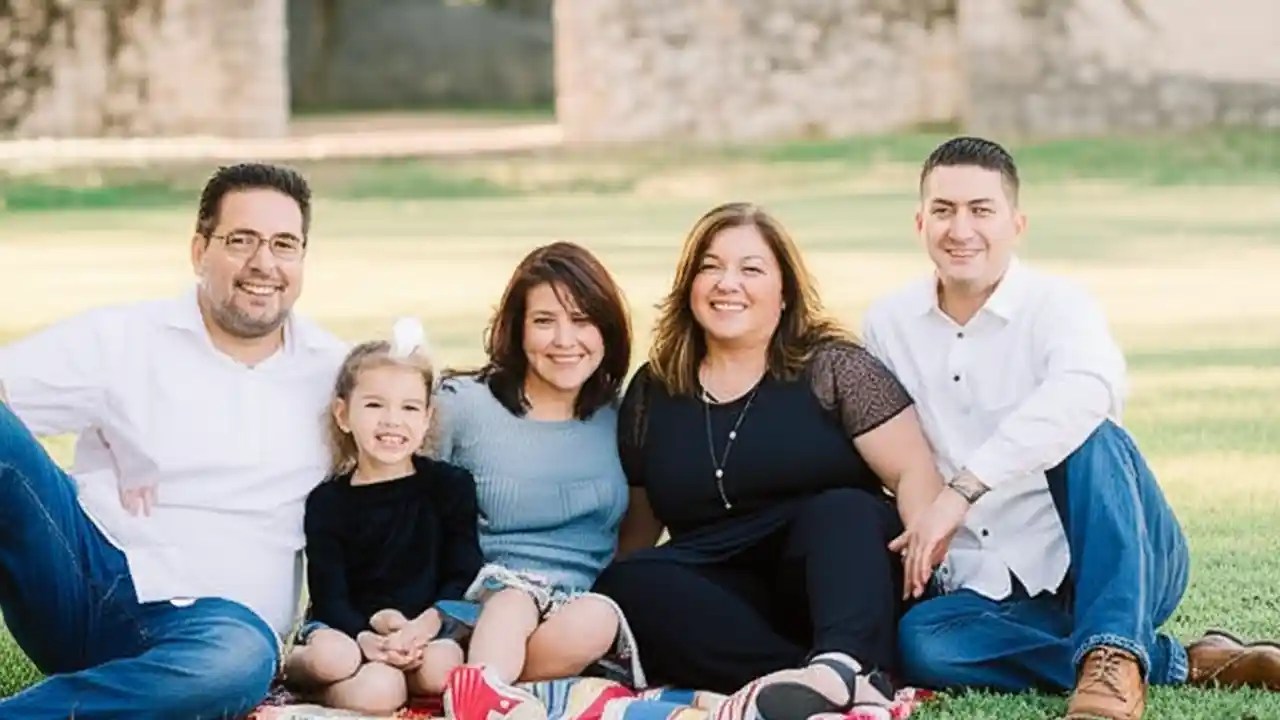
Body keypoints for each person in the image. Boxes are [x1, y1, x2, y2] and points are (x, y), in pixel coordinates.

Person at [862, 136, 1280, 720]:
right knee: (925, 645)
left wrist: (963, 489)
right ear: (919, 221)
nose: (961, 229)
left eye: (981, 210)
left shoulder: (1059, 304)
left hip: (1116, 554)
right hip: (989, 586)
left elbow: (1088, 391)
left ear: (1016, 222)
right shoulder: (887, 324)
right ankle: (1170, 661)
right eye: (943, 210)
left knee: (1087, 430)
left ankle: (1113, 648)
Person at [0, 163, 349, 718]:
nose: (264, 263)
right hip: (86, 579)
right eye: (241, 240)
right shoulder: (123, 338)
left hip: (218, 631)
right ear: (198, 250)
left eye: (285, 244)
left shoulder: (339, 376)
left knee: (238, 661)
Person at [590, 202, 948, 718]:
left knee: (843, 509)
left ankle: (843, 661)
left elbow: (913, 468)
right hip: (725, 591)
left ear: (785, 293)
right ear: (688, 287)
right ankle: (808, 682)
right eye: (709, 267)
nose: (726, 283)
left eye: (750, 269)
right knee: (628, 583)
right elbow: (639, 534)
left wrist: (920, 551)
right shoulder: (654, 388)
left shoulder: (834, 369)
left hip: (838, 576)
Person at [431, 241, 643, 720]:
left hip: (575, 609)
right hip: (484, 603)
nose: (564, 340)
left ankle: (480, 690)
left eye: (582, 319)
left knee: (600, 619)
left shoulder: (623, 414)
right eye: (545, 321)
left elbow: (638, 527)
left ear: (607, 330)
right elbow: (407, 500)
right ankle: (485, 688)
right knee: (513, 601)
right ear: (518, 330)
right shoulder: (463, 405)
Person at [283, 320, 485, 715]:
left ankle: (388, 679)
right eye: (374, 405)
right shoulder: (328, 501)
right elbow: (329, 593)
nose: (393, 420)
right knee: (338, 662)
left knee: (440, 669)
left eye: (409, 407)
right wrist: (367, 632)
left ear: (427, 417)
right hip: (348, 630)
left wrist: (423, 626)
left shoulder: (450, 486)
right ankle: (298, 673)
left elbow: (463, 570)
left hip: (426, 626)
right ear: (343, 414)